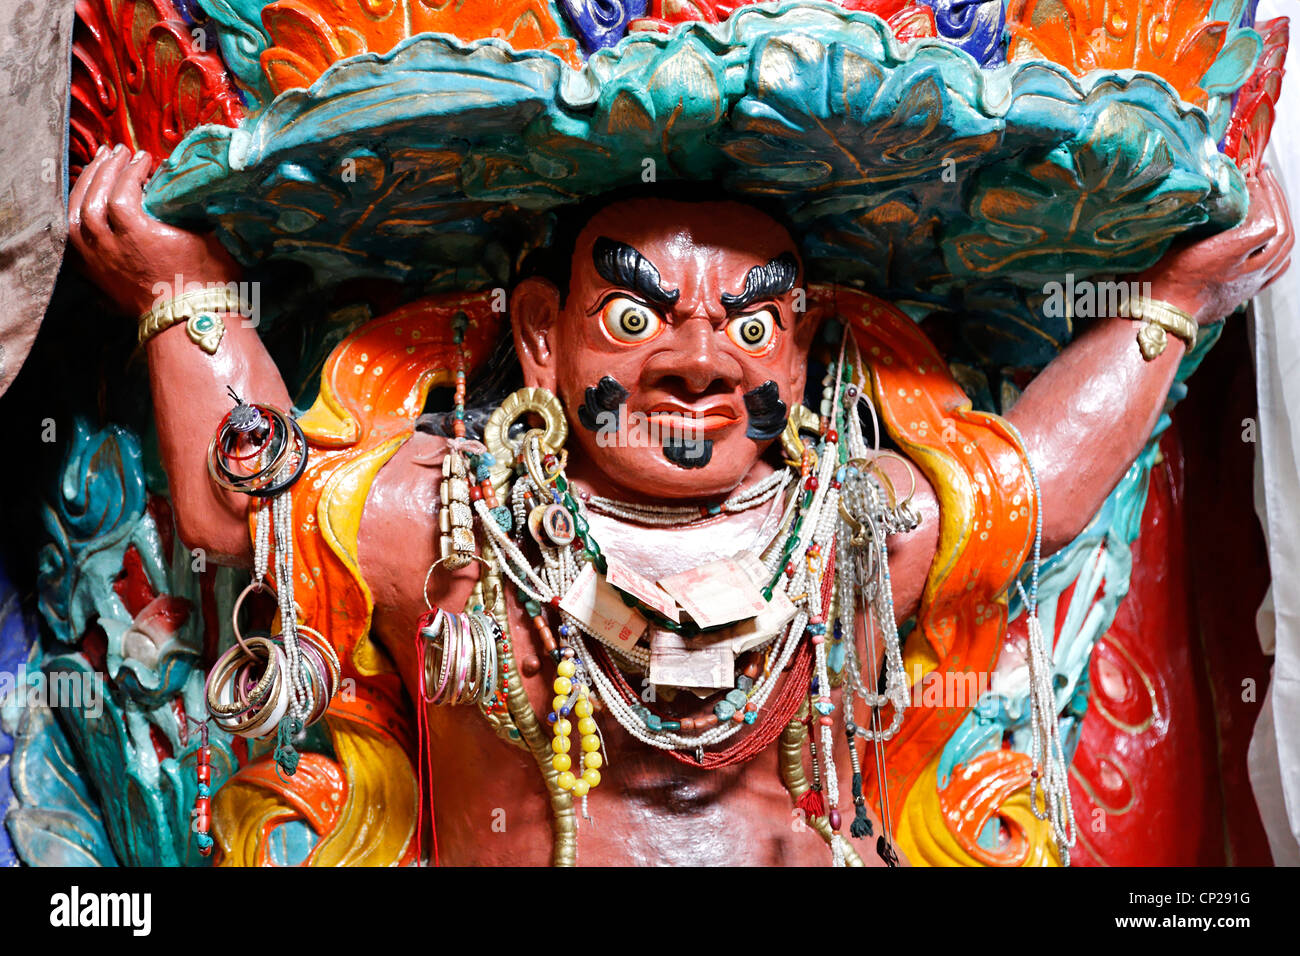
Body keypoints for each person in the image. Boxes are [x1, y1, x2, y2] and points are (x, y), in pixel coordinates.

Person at [67, 142, 1293, 865]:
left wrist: (1172, 297)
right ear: (542, 342)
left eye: (751, 324)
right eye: (636, 317)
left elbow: (1031, 486)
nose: (699, 361)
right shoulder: (449, 520)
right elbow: (249, 507)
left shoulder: (852, 527)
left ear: (801, 356)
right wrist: (185, 298)